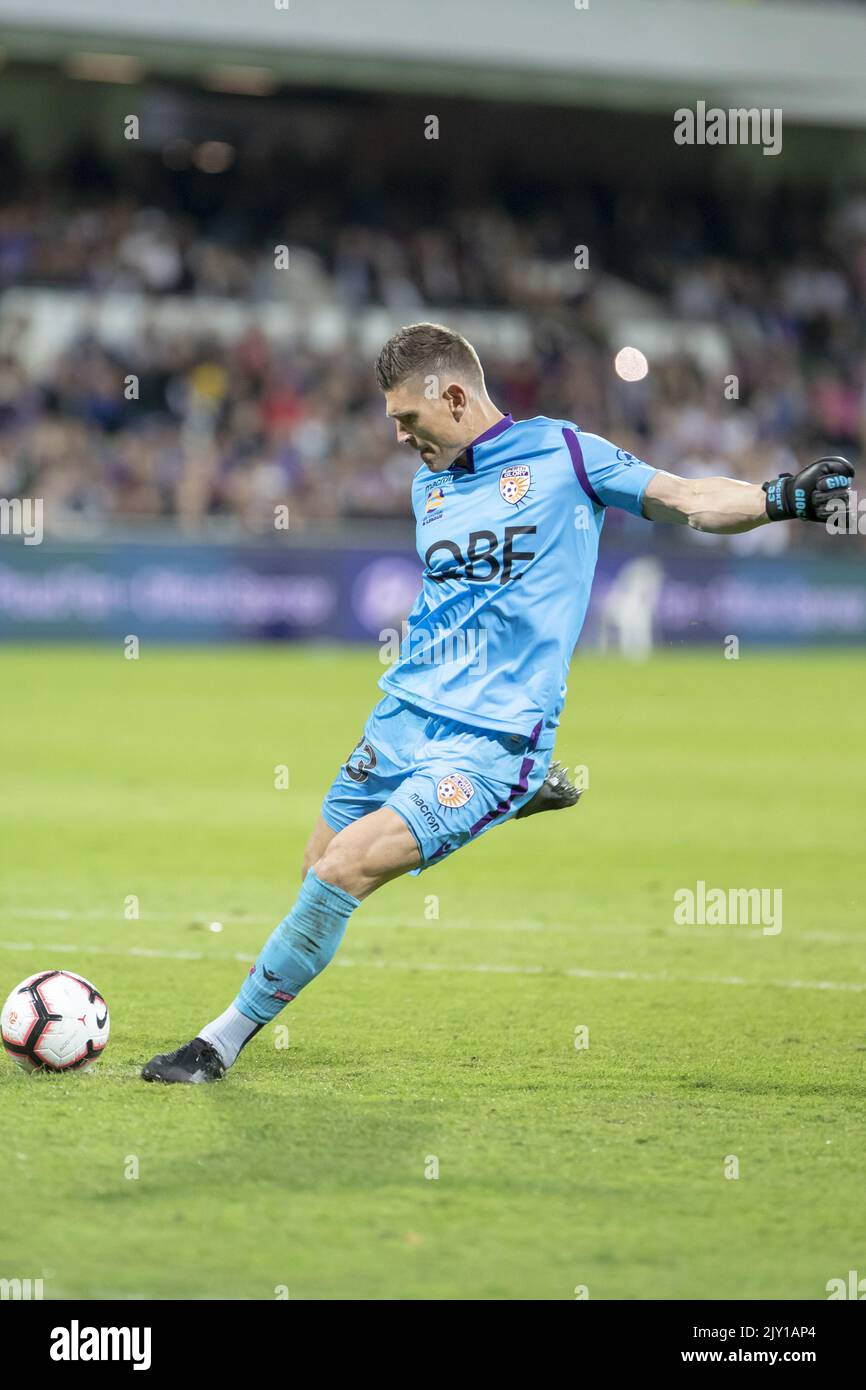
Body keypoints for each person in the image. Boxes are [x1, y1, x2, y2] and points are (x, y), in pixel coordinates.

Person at [141, 322, 853, 1083]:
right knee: (316, 862)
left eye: (407, 420)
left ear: (453, 395)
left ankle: (215, 1047)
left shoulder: (566, 454)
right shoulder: (430, 484)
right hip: (403, 714)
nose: (400, 437)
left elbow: (685, 499)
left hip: (494, 739)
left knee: (339, 872)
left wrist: (779, 498)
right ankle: (506, 803)